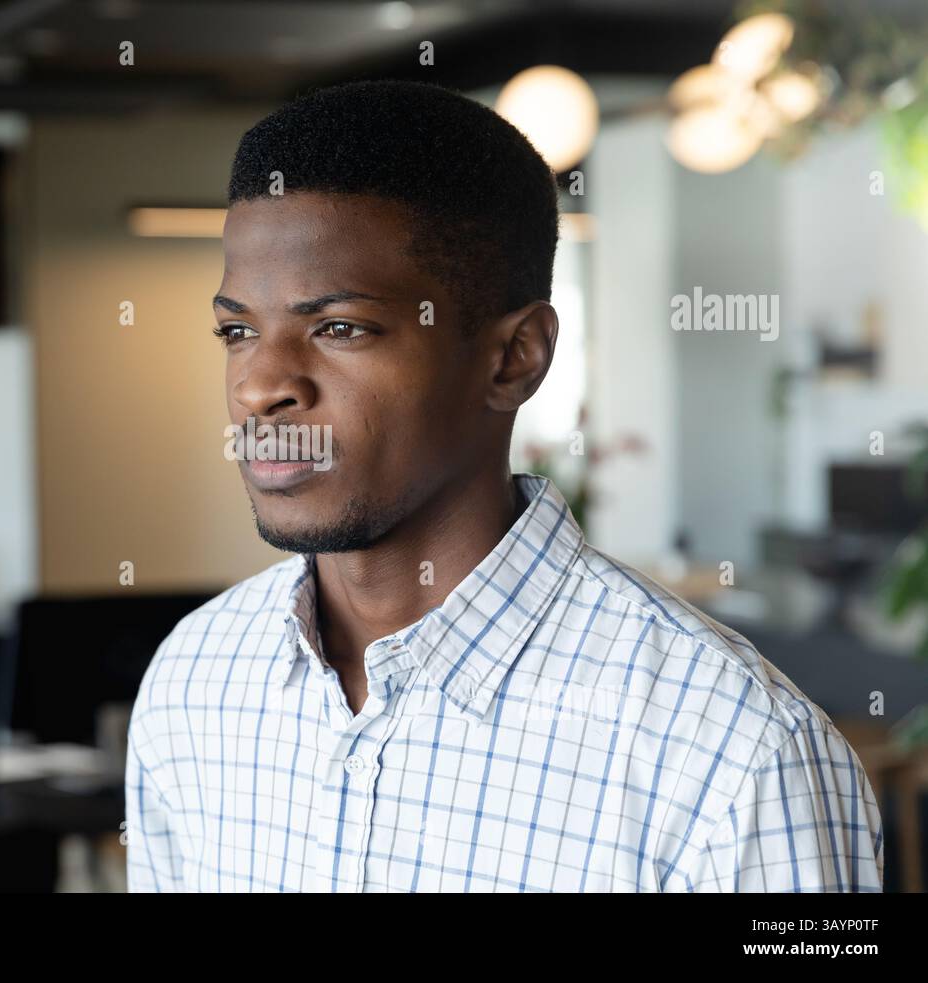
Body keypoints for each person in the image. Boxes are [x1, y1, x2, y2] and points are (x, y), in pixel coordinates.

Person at [124, 79, 883, 892]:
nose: (258, 385)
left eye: (339, 327)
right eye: (238, 331)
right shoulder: (193, 678)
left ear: (514, 357)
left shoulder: (734, 754)